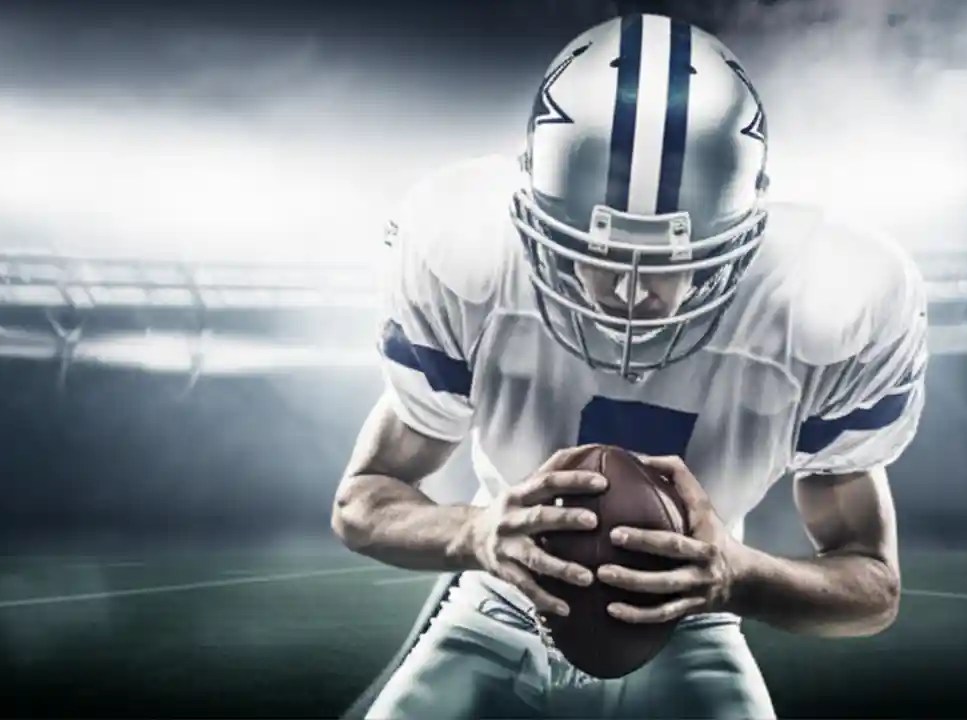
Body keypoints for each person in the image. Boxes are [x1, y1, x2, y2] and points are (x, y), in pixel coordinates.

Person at [333, 12, 928, 719]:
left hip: (693, 615)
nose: (629, 290)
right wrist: (476, 531)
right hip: (502, 596)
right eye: (597, 252)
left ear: (741, 236)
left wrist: (735, 575)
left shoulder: (827, 299)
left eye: (673, 258)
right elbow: (361, 502)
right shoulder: (471, 256)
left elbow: (872, 588)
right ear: (534, 221)